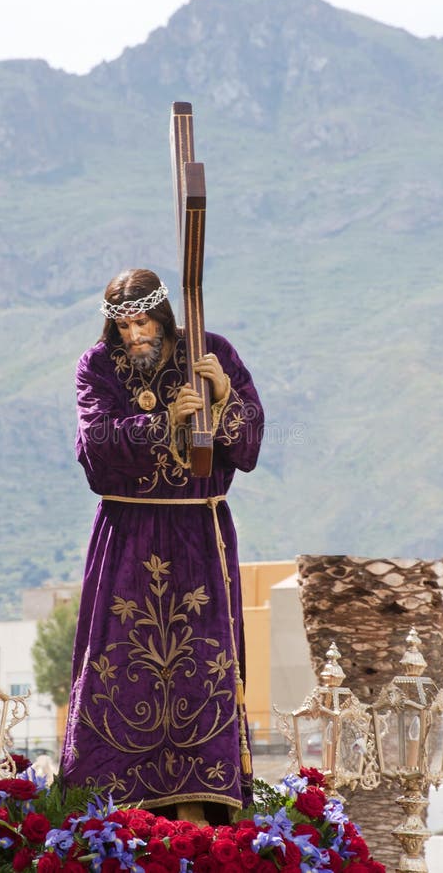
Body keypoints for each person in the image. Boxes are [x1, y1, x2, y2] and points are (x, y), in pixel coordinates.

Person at [60, 268, 264, 822]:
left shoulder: (213, 351)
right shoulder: (97, 365)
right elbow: (95, 444)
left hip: (199, 536)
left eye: (143, 323)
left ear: (164, 316)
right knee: (122, 666)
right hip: (128, 536)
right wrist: (162, 421)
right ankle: (112, 811)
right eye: (124, 326)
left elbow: (248, 447)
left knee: (200, 667)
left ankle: (200, 805)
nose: (134, 335)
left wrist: (224, 396)